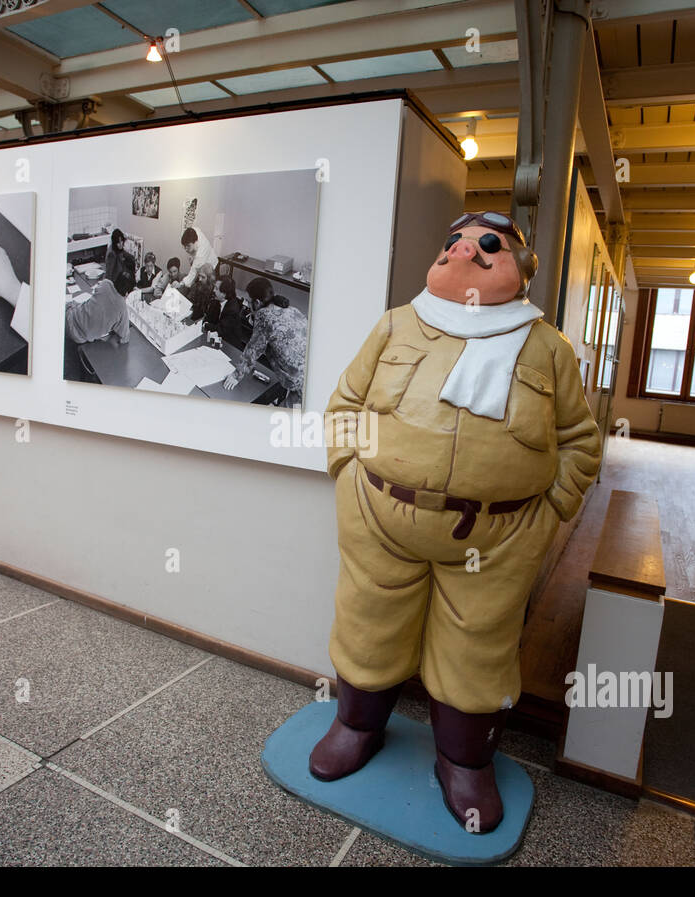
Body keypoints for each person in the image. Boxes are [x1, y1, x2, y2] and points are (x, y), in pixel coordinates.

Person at [309, 211, 601, 835]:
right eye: (456, 243)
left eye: (488, 246)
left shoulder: (549, 347)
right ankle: (355, 725)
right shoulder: (396, 324)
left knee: (480, 648)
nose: (467, 251)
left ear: (520, 271)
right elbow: (346, 403)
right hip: (380, 518)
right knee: (367, 623)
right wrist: (347, 475)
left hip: (497, 539)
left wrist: (549, 512)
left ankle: (464, 763)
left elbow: (580, 440)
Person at [222, 277, 306, 405]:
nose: (248, 306)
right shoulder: (291, 309)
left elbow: (253, 350)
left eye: (249, 302)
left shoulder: (264, 315)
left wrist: (236, 375)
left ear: (257, 302)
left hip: (300, 381)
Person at [66, 270, 136, 347]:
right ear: (127, 293)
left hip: (70, 318)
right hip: (79, 337)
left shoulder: (105, 283)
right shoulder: (122, 308)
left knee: (73, 304)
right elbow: (125, 338)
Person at [178, 225, 218, 291]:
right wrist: (192, 256)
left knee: (208, 290)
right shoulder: (194, 231)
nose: (186, 249)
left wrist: (181, 283)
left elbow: (192, 274)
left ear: (195, 242)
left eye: (188, 246)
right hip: (202, 266)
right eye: (184, 246)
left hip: (211, 268)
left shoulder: (200, 254)